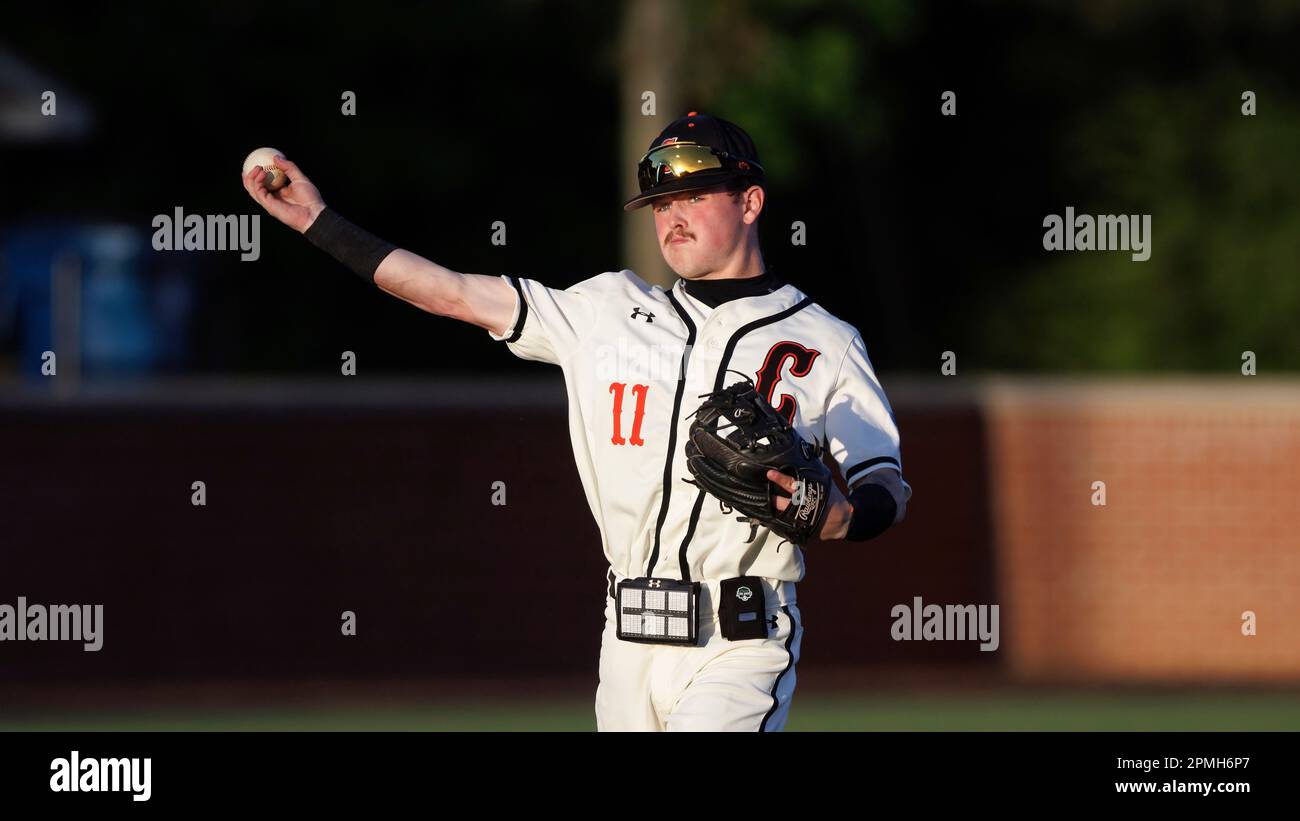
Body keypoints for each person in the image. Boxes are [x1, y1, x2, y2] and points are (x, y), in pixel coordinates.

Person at [241, 111, 911, 732]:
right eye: (662, 204)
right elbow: (447, 290)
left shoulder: (825, 341)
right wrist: (317, 220)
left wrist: (841, 519)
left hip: (737, 641)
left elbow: (883, 480)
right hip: (625, 643)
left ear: (750, 201)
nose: (673, 218)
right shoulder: (603, 310)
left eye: (695, 196)